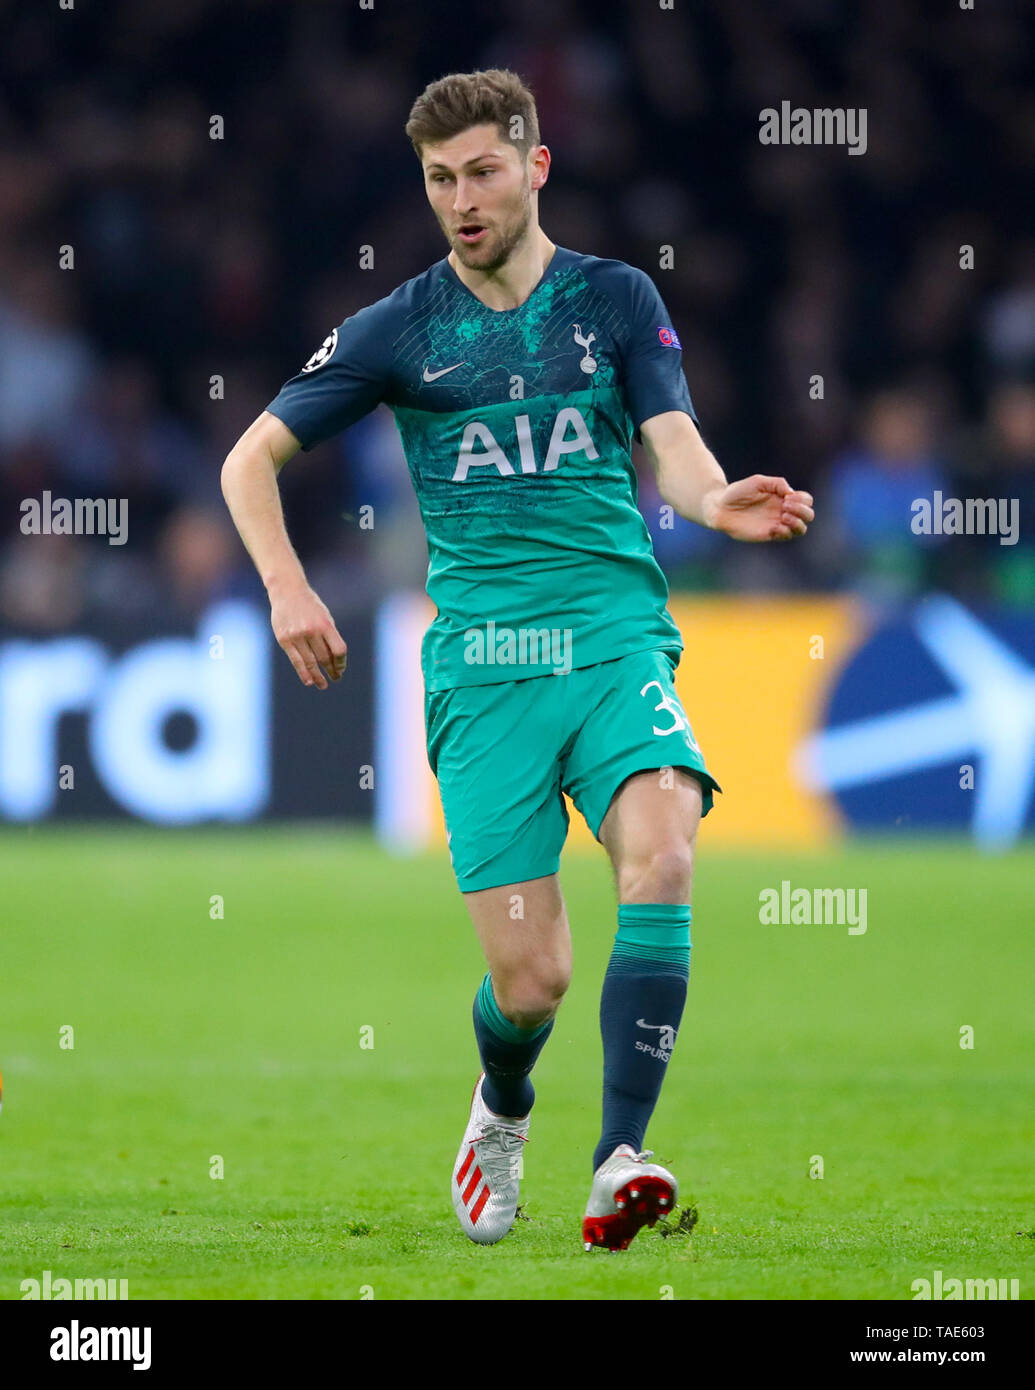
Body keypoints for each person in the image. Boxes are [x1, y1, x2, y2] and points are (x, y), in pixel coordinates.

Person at [221, 68, 813, 1251]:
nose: (462, 198)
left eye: (483, 170)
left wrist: (715, 500)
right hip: (485, 671)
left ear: (535, 166)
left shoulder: (615, 298)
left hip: (609, 636)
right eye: (440, 179)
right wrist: (288, 588)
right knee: (531, 978)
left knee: (661, 853)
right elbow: (249, 461)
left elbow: (675, 448)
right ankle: (503, 1102)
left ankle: (619, 1156)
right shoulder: (401, 327)